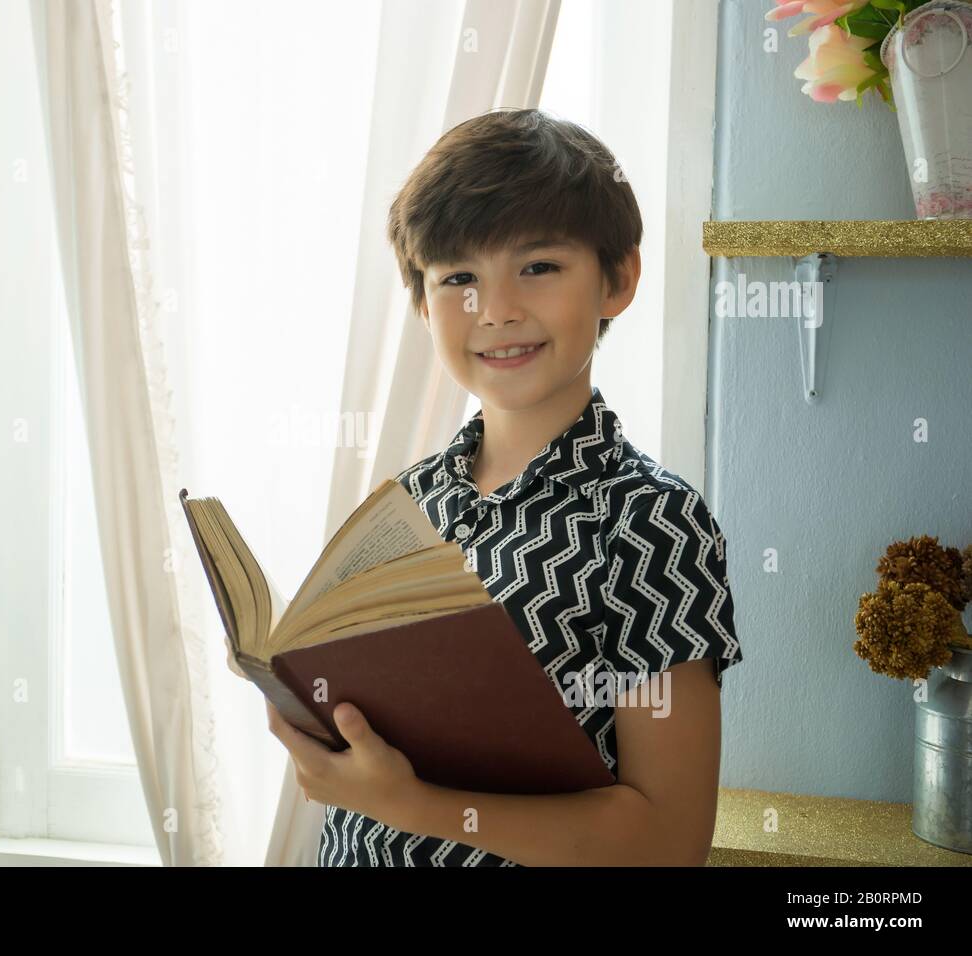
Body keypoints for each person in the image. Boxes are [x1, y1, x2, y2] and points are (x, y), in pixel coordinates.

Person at [264, 108, 743, 866]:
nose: (496, 310)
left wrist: (411, 805)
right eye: (458, 278)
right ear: (423, 304)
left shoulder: (654, 521)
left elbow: (667, 844)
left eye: (539, 267)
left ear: (617, 280)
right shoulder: (405, 505)